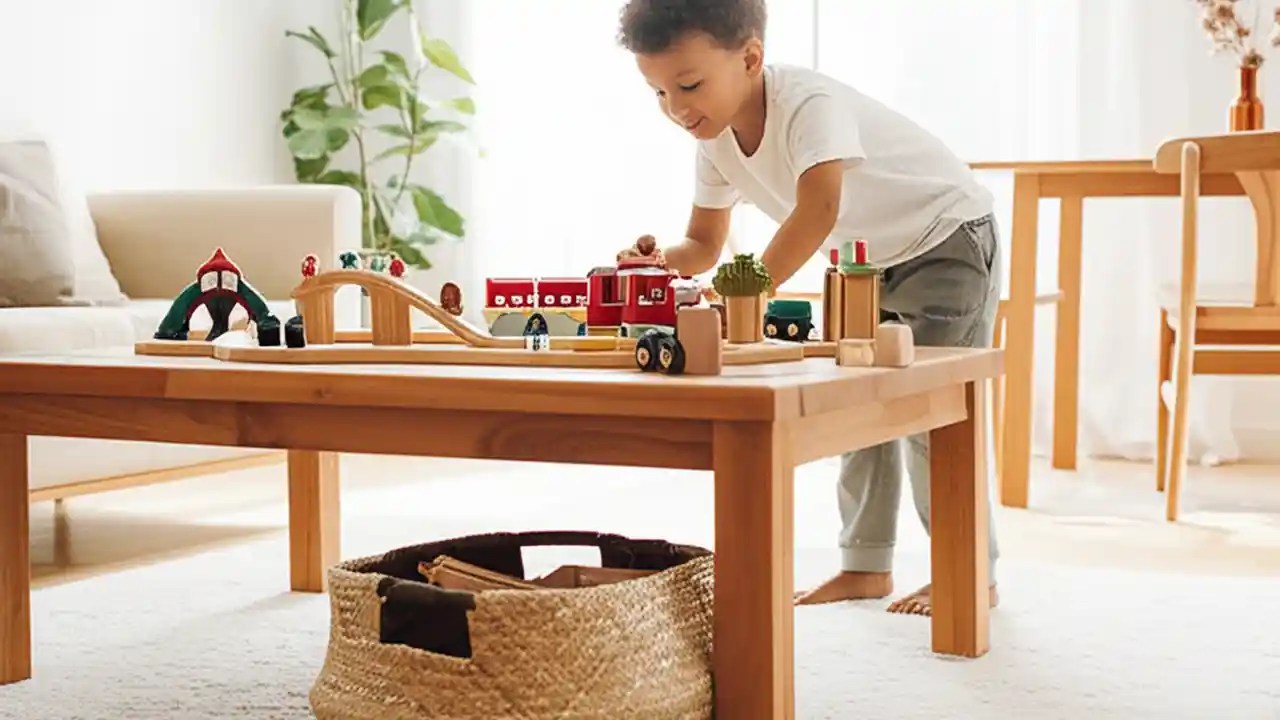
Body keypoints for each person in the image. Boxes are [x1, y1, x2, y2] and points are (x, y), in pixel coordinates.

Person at [615, 0, 1001, 616]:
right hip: (862, 265)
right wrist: (661, 259)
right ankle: (865, 563)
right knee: (862, 404)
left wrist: (754, 287)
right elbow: (705, 244)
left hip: (945, 240)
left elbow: (818, 209)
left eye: (689, 85)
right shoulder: (713, 140)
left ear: (750, 57)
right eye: (658, 93)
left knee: (931, 411)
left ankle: (971, 572)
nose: (677, 109)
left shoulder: (806, 106)